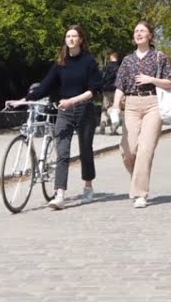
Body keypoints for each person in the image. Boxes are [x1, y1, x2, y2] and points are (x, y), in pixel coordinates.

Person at [6, 24, 101, 209]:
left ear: (81, 40)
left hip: (84, 110)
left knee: (85, 150)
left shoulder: (89, 61)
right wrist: (21, 100)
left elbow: (94, 90)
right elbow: (44, 86)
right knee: (62, 152)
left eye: (74, 36)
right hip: (64, 111)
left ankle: (88, 186)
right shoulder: (61, 63)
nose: (71, 39)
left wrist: (73, 101)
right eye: (68, 36)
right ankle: (59, 194)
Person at [110, 21, 171, 209]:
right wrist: (115, 105)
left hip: (152, 104)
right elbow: (120, 86)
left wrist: (152, 80)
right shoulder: (127, 60)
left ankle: (140, 193)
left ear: (150, 36)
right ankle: (138, 176)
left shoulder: (159, 57)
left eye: (142, 31)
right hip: (131, 105)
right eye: (136, 31)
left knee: (145, 149)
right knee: (128, 150)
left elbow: (170, 83)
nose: (138, 33)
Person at [99, 52, 121, 134]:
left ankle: (103, 122)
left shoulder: (105, 68)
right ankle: (114, 125)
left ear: (111, 58)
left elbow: (102, 78)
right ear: (117, 58)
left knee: (105, 108)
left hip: (106, 90)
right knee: (115, 107)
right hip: (116, 90)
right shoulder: (119, 68)